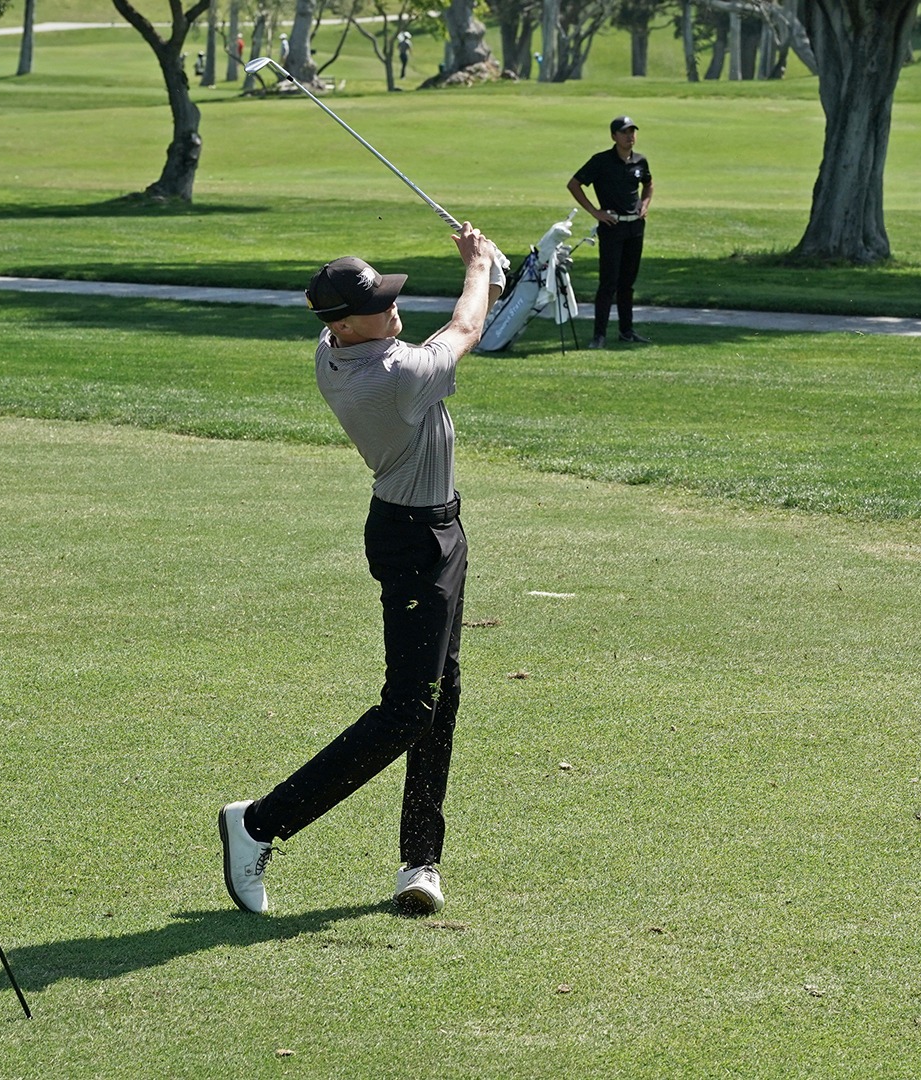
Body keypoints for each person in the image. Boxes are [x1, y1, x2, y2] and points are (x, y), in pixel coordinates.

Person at [219, 224, 505, 917]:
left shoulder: (333, 351)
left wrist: (488, 280)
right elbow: (467, 328)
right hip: (414, 541)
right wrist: (479, 268)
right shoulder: (395, 378)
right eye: (378, 303)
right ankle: (257, 823)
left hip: (434, 529)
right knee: (408, 709)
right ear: (345, 324)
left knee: (441, 696)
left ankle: (420, 861)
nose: (392, 306)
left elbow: (462, 323)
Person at [567, 116, 654, 348]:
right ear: (614, 136)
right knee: (608, 283)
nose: (630, 136)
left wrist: (645, 205)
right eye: (625, 132)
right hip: (612, 227)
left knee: (628, 283)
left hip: (635, 227)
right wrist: (595, 212)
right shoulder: (601, 161)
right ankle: (599, 335)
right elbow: (574, 184)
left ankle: (626, 331)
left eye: (632, 131)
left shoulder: (640, 161)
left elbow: (648, 184)